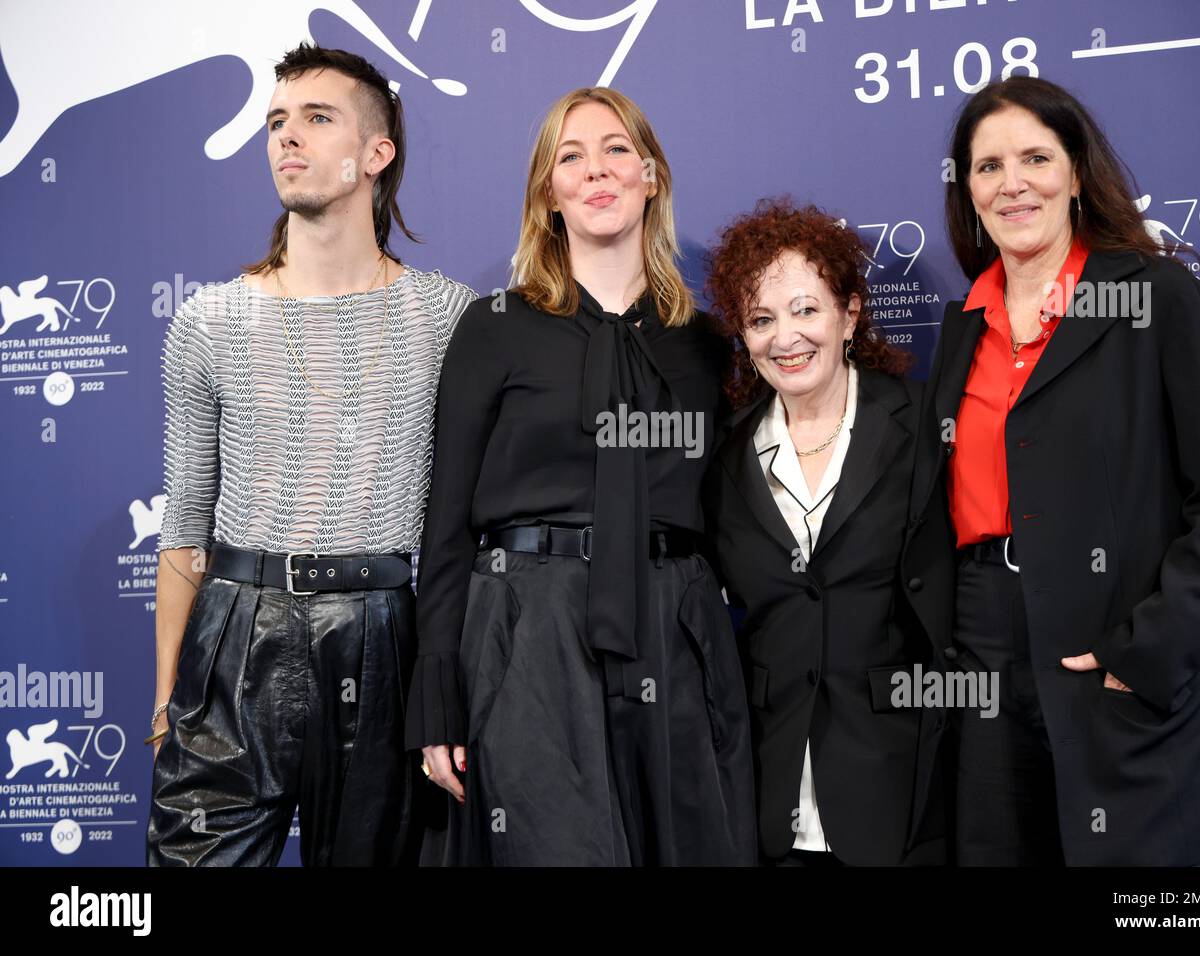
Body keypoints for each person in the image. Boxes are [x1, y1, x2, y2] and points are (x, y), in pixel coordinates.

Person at [920, 75, 1200, 865]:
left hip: (1110, 648)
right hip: (984, 656)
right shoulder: (961, 324)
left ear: (1076, 172)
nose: (1012, 184)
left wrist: (1142, 653)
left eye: (1035, 158)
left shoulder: (1159, 300)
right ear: (966, 189)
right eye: (987, 167)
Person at [407, 87, 757, 865]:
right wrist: (437, 698)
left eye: (616, 150)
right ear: (547, 193)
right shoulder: (495, 327)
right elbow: (446, 523)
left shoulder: (704, 344)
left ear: (652, 175)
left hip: (674, 627)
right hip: (528, 630)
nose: (596, 170)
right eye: (571, 157)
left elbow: (734, 512)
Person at [146, 43, 475, 866]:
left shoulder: (449, 320)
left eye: (317, 119)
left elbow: (463, 529)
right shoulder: (208, 322)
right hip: (234, 631)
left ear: (376, 153)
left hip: (383, 634)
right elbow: (185, 531)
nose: (287, 138)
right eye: (277, 122)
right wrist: (167, 704)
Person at [702, 200, 953, 866]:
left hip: (906, 802)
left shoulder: (926, 426)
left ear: (849, 313)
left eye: (806, 310)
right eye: (761, 319)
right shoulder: (722, 458)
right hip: (770, 806)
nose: (785, 338)